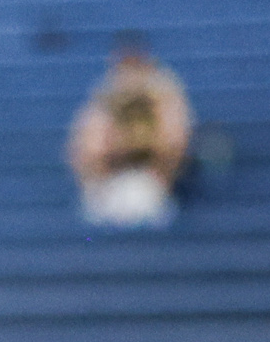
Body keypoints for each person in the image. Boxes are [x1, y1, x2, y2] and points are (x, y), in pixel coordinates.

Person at [68, 35, 193, 228]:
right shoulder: (105, 93)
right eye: (124, 65)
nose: (129, 74)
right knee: (96, 214)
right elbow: (88, 146)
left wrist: (160, 176)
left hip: (147, 179)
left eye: (134, 65)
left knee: (143, 203)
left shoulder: (164, 93)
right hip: (110, 180)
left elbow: (173, 142)